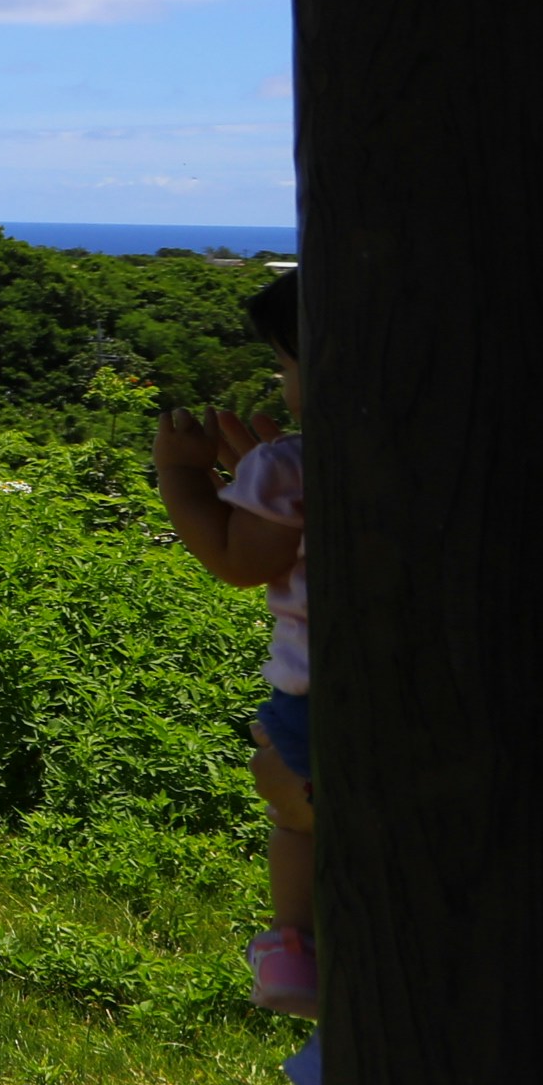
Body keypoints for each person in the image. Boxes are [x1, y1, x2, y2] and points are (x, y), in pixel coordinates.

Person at [153, 269, 313, 1009]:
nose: (282, 383)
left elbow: (237, 562)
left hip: (314, 704)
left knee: (296, 823)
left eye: (285, 365)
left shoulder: (293, 464)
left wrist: (184, 479)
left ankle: (292, 949)